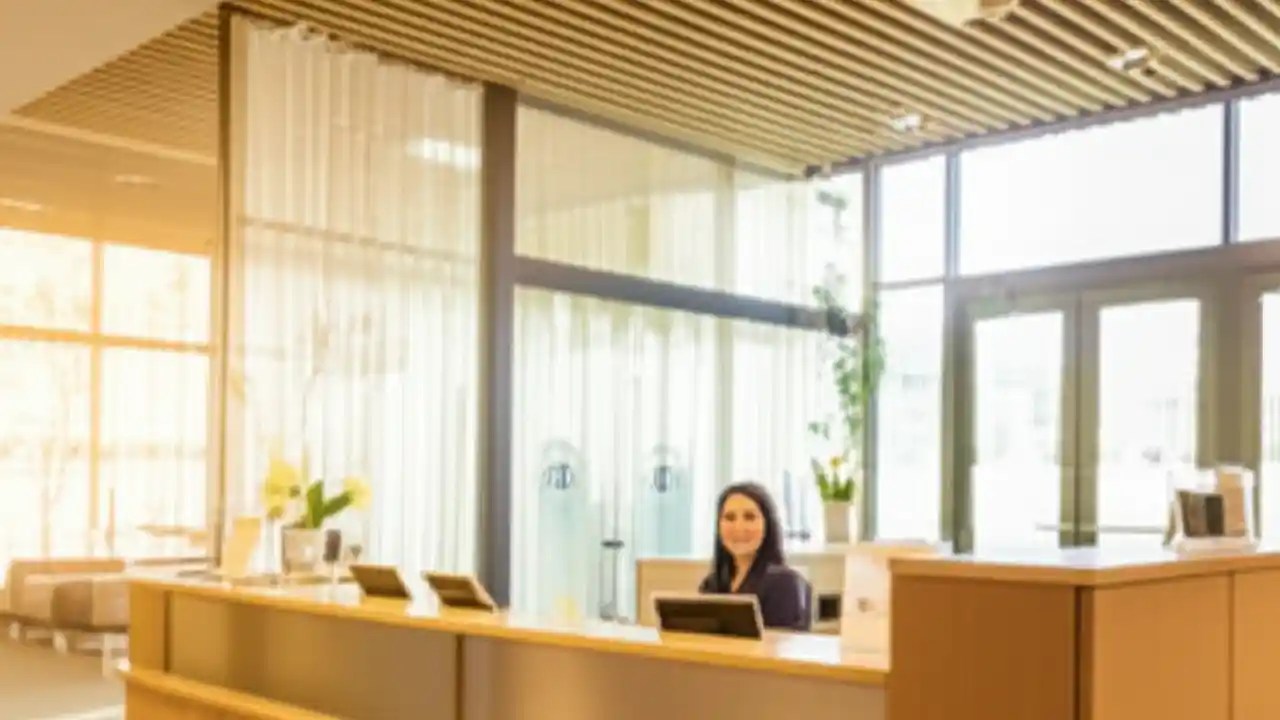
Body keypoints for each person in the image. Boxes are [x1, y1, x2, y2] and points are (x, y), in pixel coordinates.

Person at [698, 481, 811, 631]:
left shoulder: (784, 583)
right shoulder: (711, 584)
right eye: (729, 518)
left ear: (768, 525)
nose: (739, 528)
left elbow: (780, 647)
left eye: (750, 517)